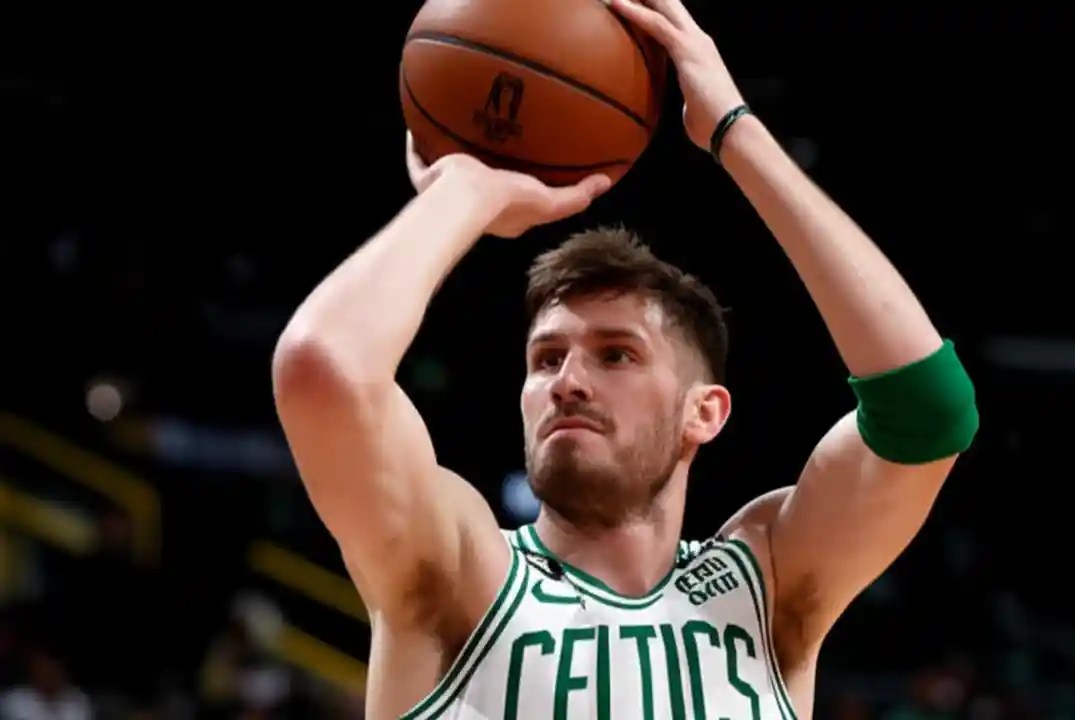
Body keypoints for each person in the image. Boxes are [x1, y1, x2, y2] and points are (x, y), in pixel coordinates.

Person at [270, 0, 980, 717]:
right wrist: (469, 190)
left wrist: (737, 132)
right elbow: (325, 370)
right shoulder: (458, 572)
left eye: (616, 355)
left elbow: (927, 410)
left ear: (705, 411)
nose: (568, 382)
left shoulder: (765, 586)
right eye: (545, 360)